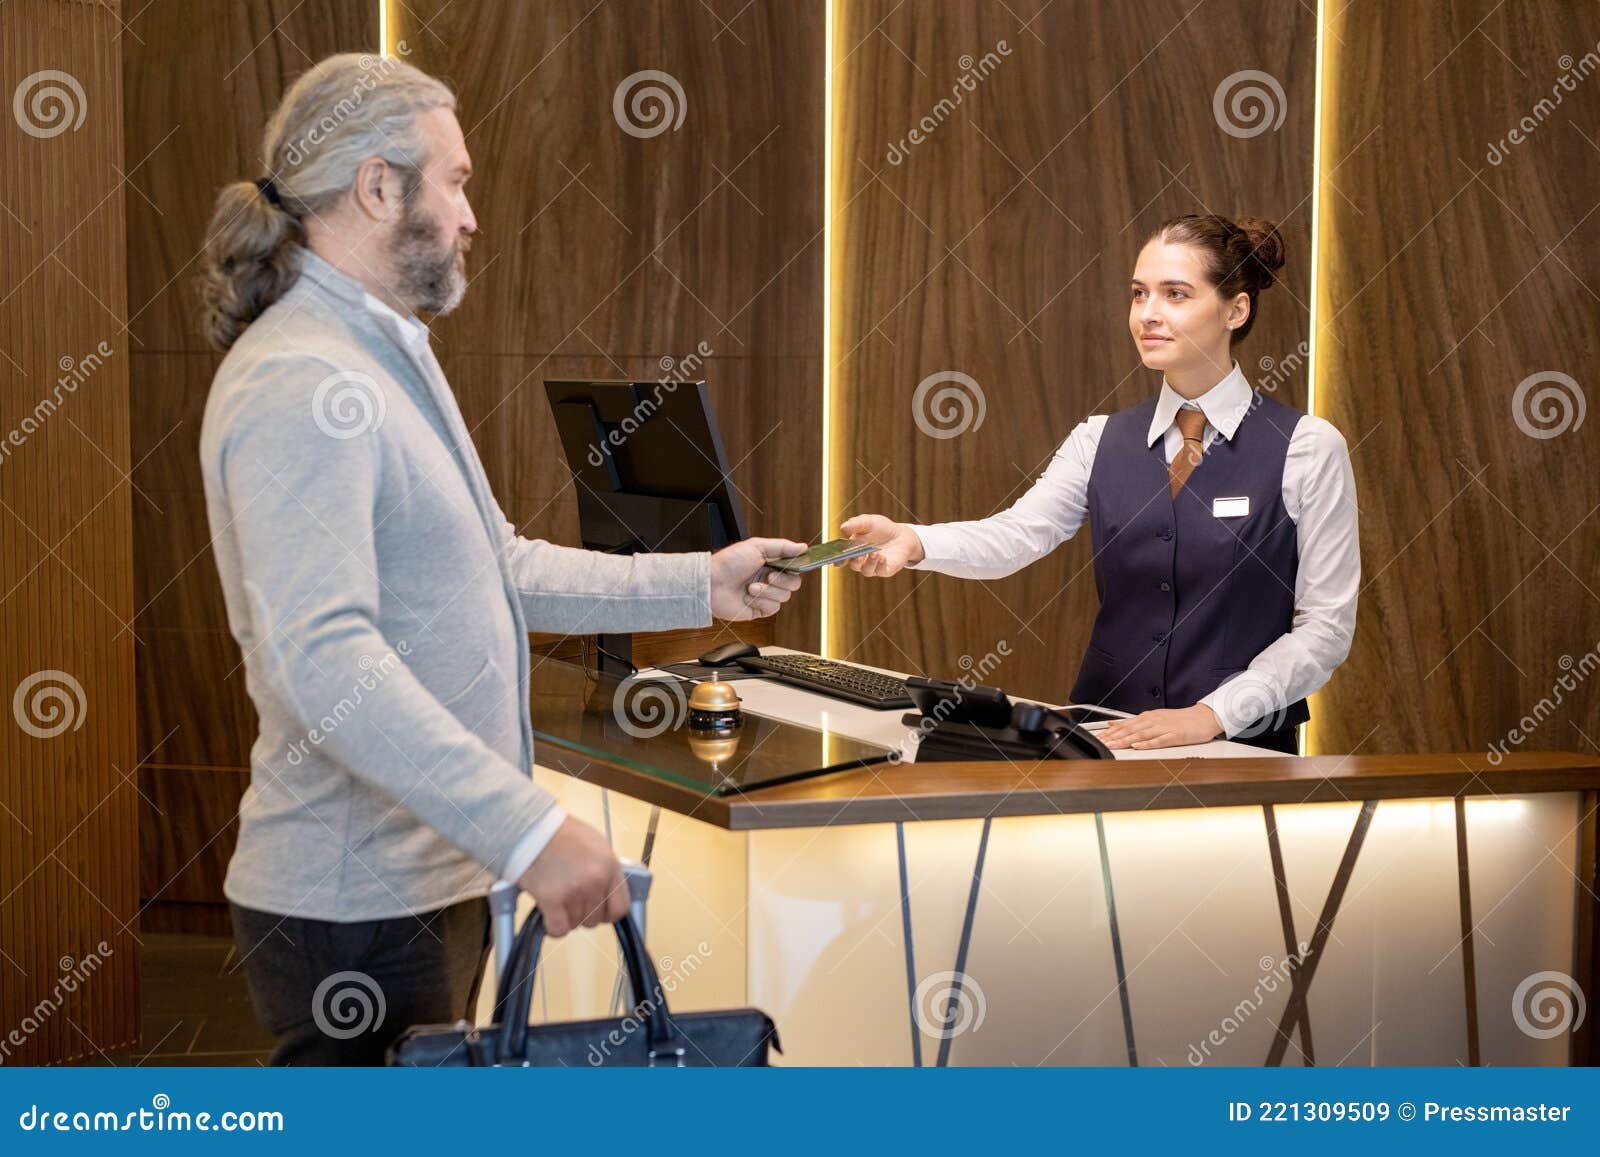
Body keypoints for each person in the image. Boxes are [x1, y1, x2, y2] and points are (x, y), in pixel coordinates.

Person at [196, 54, 805, 1064]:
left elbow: (499, 564)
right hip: (354, 913)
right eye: (458, 179)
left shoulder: (382, 353)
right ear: (378, 186)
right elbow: (324, 660)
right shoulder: (305, 378)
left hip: (425, 886)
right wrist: (526, 829)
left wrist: (701, 579)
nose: (473, 214)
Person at [841, 214, 1359, 754]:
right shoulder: (1098, 439)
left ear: (1236, 308)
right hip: (1103, 736)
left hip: (1240, 747)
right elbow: (1019, 534)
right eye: (1139, 295)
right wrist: (914, 540)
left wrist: (1212, 714)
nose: (1148, 315)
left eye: (1175, 295)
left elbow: (1325, 629)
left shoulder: (1307, 447)